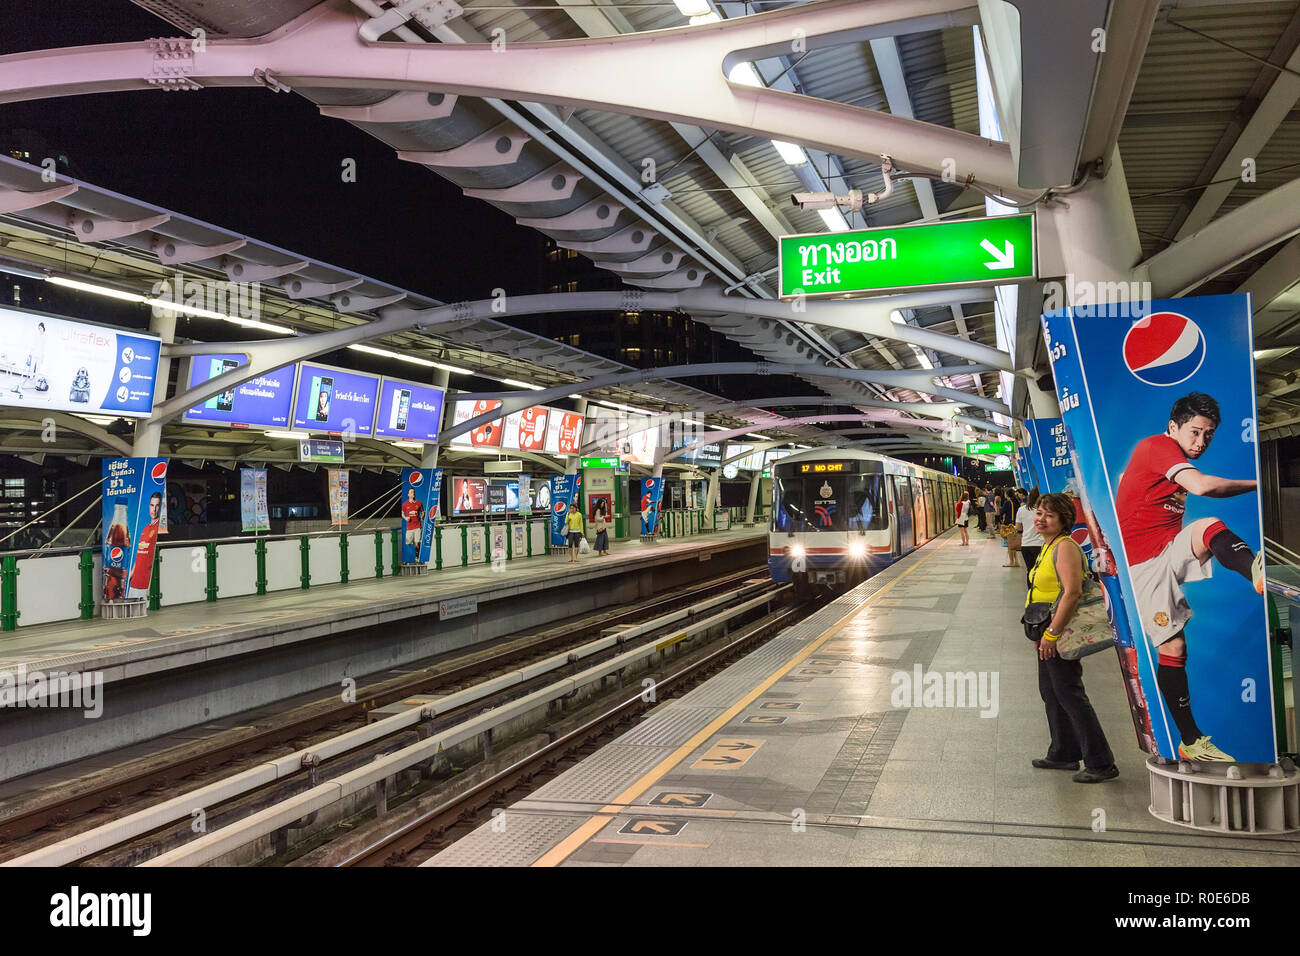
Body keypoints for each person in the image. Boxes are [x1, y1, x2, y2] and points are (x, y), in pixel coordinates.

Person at [1115, 392, 1262, 762]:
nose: (1200, 442)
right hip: (1143, 566)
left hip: (1168, 550)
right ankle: (1191, 740)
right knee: (1174, 648)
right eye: (1195, 432)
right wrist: (1259, 482)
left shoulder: (1167, 456)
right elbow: (1203, 487)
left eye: (1208, 435)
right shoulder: (1158, 446)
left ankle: (1256, 571)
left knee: (1207, 527)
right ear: (1173, 427)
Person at [1027, 492, 1118, 783]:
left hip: (1060, 629)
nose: (1040, 519)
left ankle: (1101, 762)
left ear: (1063, 520)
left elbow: (1073, 592)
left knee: (1069, 694)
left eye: (1049, 515)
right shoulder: (1048, 544)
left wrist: (1052, 633)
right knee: (1051, 693)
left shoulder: (1064, 547)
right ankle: (1064, 751)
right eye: (1039, 513)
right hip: (1046, 627)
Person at [128, 492, 163, 597]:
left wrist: (150, 586)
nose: (154, 509)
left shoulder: (159, 528)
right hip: (134, 583)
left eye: (157, 506)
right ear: (149, 506)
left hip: (144, 584)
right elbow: (140, 554)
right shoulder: (146, 528)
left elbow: (154, 559)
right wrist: (130, 575)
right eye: (152, 505)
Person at [1016, 488, 1043, 583]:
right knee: (1042, 572)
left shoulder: (1021, 509)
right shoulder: (1044, 510)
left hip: (1026, 544)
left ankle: (1031, 594)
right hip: (1041, 545)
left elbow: (1018, 527)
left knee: (1030, 571)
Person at [401, 487, 424, 555]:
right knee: (408, 542)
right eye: (411, 492)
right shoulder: (405, 504)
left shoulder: (419, 503)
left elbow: (423, 512)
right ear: (408, 494)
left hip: (417, 526)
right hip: (409, 527)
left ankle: (417, 555)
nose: (413, 493)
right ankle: (410, 556)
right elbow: (402, 513)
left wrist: (422, 516)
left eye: (413, 492)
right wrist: (405, 518)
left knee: (417, 542)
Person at [1002, 490, 1022, 567]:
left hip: (1009, 525)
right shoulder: (1017, 501)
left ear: (1007, 494)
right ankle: (1016, 561)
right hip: (1016, 524)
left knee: (1010, 544)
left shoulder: (1007, 502)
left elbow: (1002, 511)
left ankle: (1011, 562)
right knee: (1014, 543)